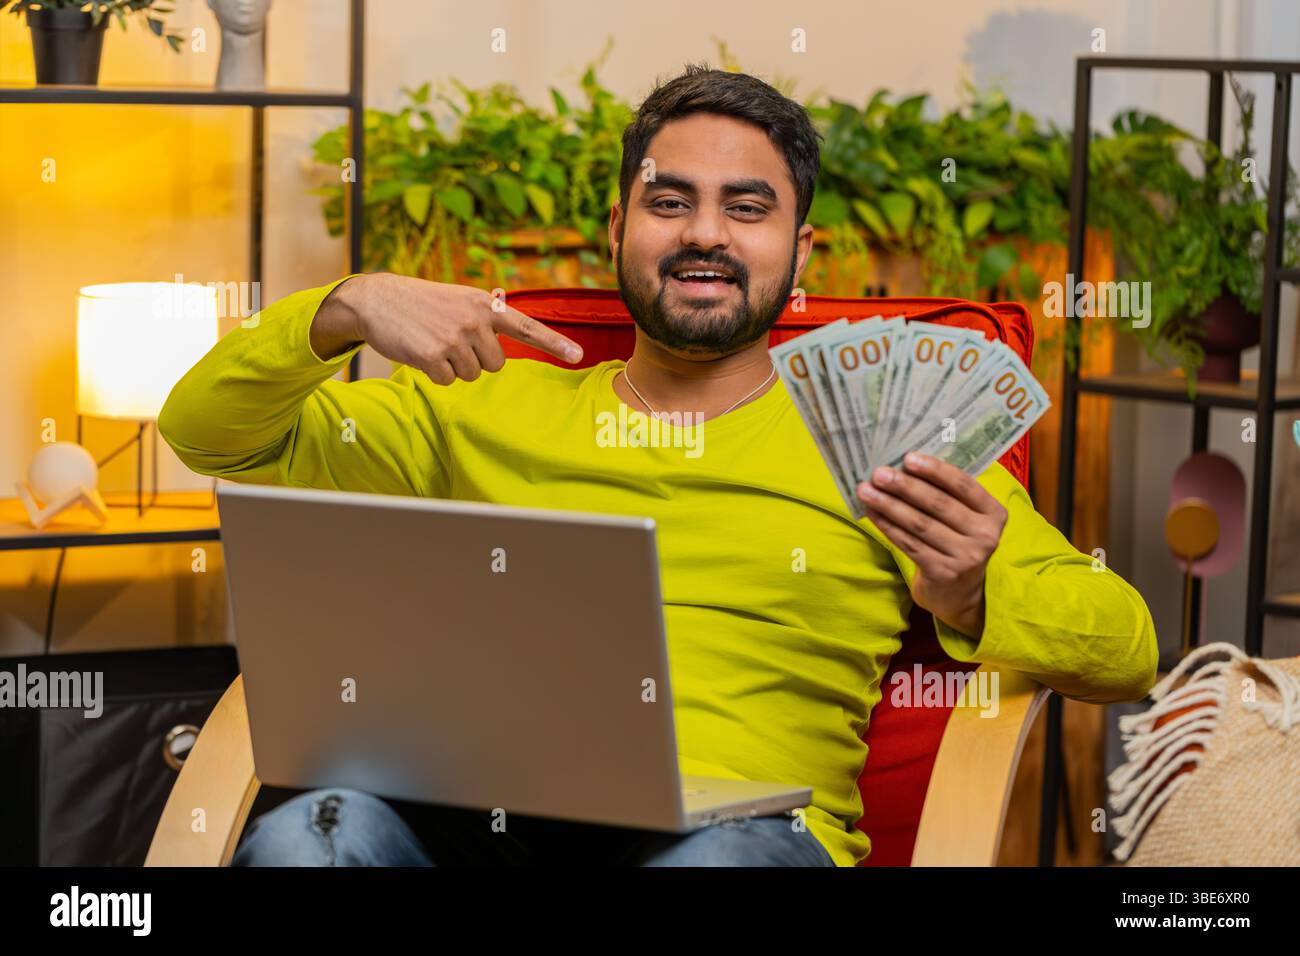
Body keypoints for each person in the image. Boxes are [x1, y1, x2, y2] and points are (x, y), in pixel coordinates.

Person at [157, 64, 1158, 867]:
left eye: (746, 207)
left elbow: (1125, 646)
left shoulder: (891, 442)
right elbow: (209, 433)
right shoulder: (480, 404)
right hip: (468, 823)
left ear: (800, 252)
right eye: (668, 200)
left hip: (742, 839)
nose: (704, 233)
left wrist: (978, 591)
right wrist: (342, 305)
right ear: (618, 231)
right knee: (305, 835)